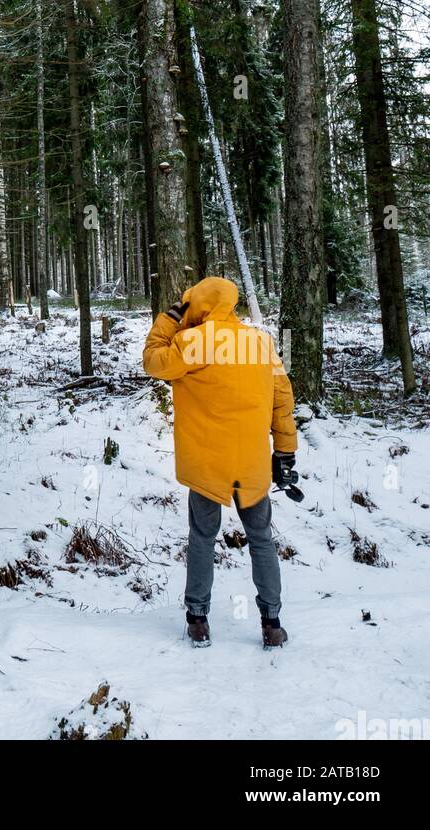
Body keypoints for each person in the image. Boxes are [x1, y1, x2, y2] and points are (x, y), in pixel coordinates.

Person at [143, 275, 298, 649]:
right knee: (262, 540)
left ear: (199, 304)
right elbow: (282, 399)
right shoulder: (261, 343)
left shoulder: (191, 343)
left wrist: (170, 317)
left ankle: (198, 620)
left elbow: (152, 359)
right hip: (252, 463)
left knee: (201, 538)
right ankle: (272, 624)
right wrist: (285, 452)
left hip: (208, 465)